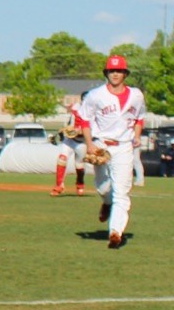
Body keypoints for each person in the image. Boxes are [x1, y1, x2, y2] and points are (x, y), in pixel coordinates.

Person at [80, 54, 146, 248]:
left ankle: (115, 232)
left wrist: (137, 135)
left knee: (122, 191)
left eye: (119, 71)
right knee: (103, 187)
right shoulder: (95, 95)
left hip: (124, 146)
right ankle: (106, 202)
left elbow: (140, 118)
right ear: (106, 73)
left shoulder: (136, 95)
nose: (115, 74)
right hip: (101, 144)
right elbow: (85, 120)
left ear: (125, 74)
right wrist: (90, 144)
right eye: (111, 71)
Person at [52, 108, 89, 197]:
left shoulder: (93, 113)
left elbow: (93, 130)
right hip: (70, 140)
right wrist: (64, 130)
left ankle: (80, 184)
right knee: (62, 158)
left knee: (79, 165)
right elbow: (69, 126)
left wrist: (81, 132)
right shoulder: (76, 111)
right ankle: (59, 186)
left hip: (82, 142)